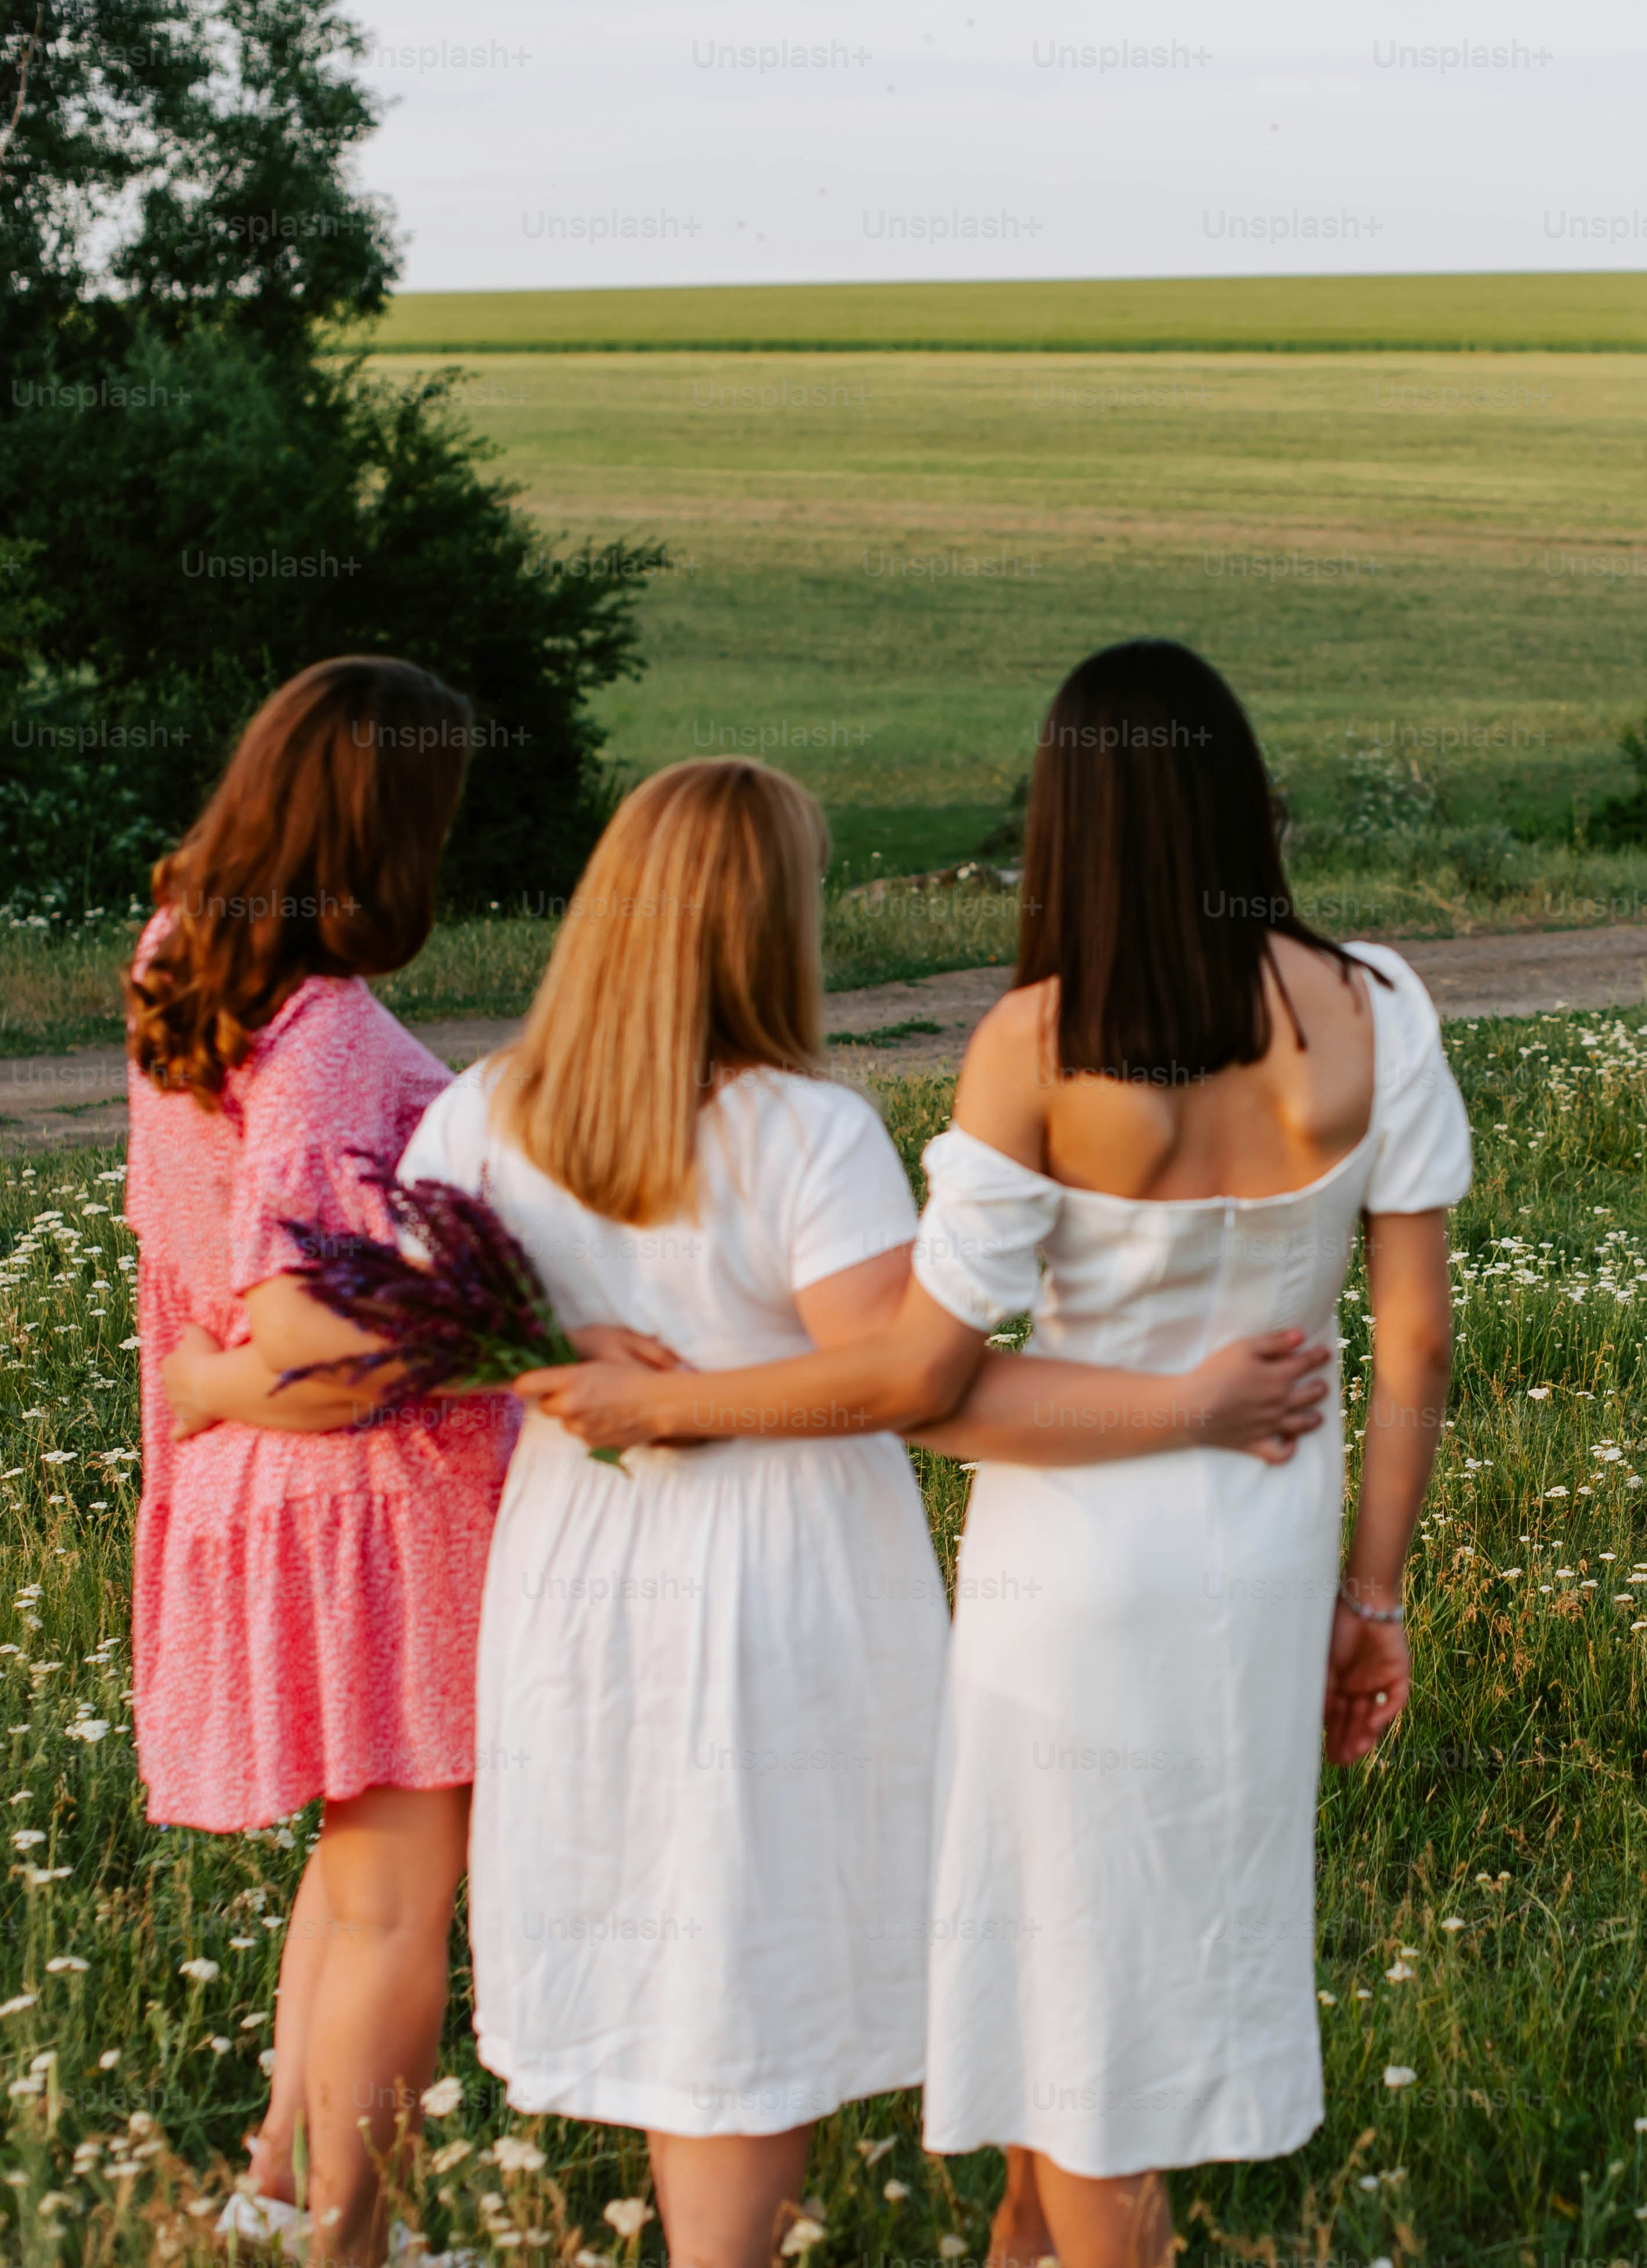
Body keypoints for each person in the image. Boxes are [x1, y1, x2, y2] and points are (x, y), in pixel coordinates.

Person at [516, 640, 1472, 2268]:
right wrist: (1370, 1595)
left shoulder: (1037, 1042)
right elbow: (1419, 1347)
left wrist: (671, 1402)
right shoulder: (1376, 1005)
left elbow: (921, 1378)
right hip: (1267, 1543)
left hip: (1076, 1567)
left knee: (1087, 1984)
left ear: (1068, 827)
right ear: (1243, 801)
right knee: (1142, 1946)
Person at [125, 657, 518, 2261]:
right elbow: (299, 1311)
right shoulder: (333, 1027)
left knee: (355, 1872)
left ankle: (279, 2197)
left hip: (265, 1498)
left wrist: (201, 1372)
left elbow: (214, 1275)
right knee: (400, 1899)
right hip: (371, 1500)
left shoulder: (185, 962)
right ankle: (354, 2238)